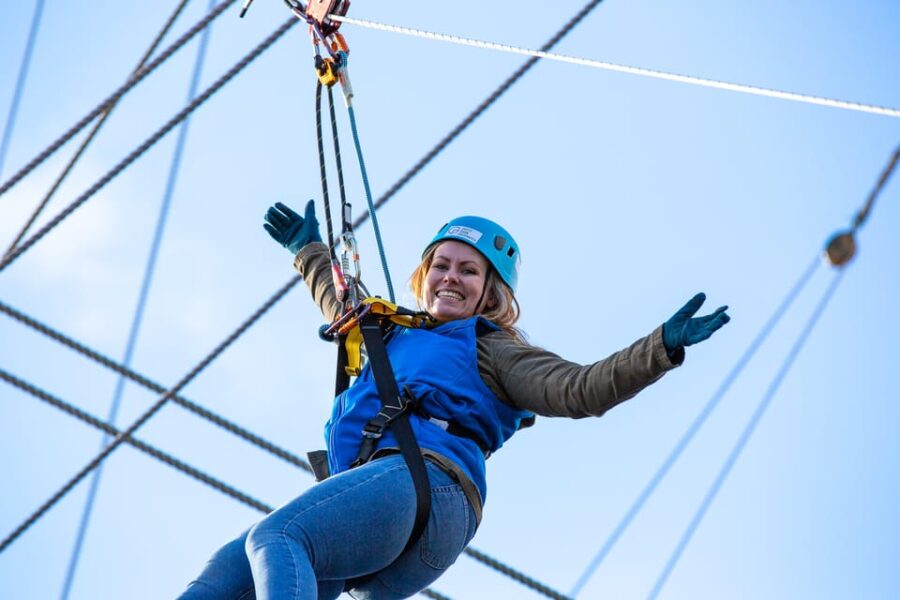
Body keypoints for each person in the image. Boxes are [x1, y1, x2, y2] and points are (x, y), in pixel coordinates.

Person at [178, 200, 730, 600]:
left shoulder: (492, 350)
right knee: (224, 579)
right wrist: (309, 251)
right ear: (425, 274)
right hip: (394, 517)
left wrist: (659, 348)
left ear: (489, 292)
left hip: (426, 487)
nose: (451, 278)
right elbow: (341, 302)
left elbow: (579, 388)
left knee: (277, 535)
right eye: (441, 265)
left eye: (469, 271)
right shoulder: (391, 333)